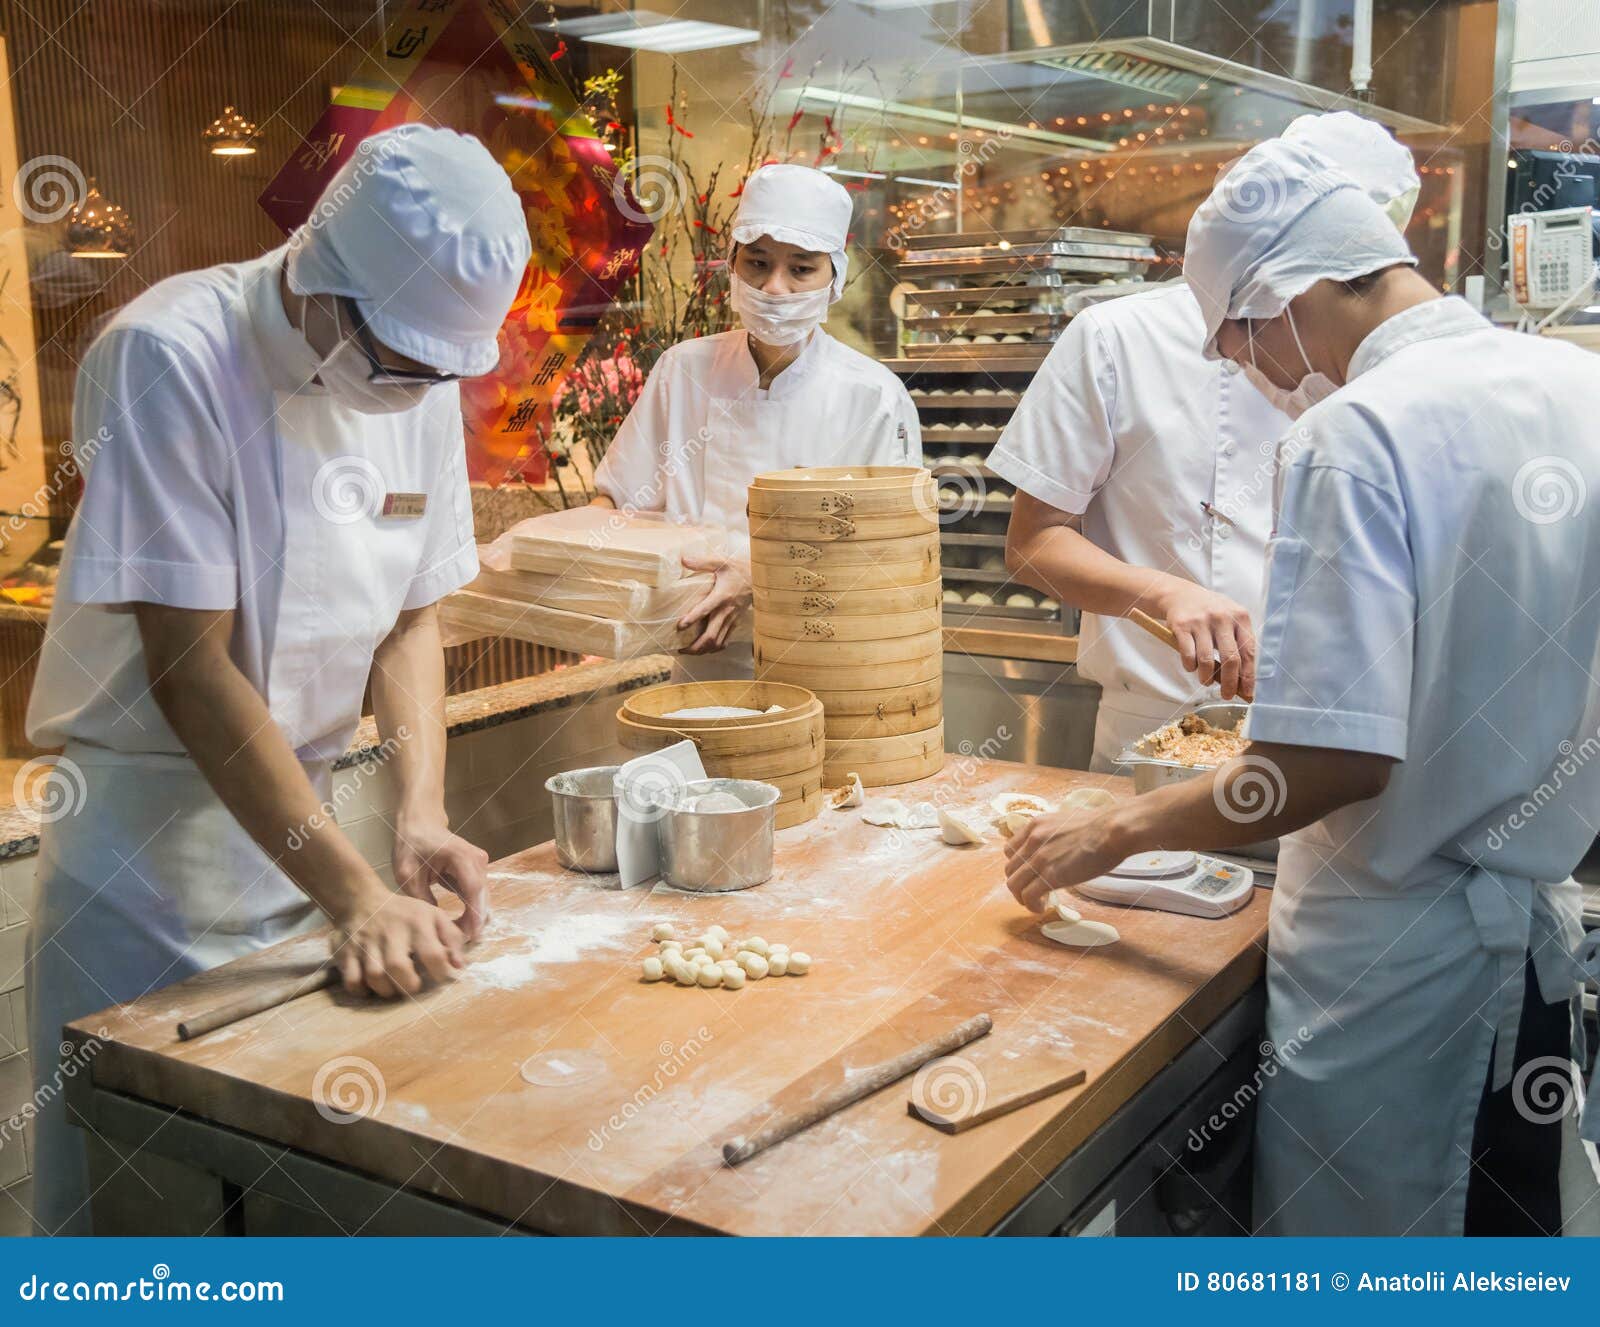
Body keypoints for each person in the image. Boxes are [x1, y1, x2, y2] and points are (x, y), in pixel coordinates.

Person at [1004, 135, 1600, 1235]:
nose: (1242, 364)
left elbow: (1330, 760)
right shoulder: (1579, 384)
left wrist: (1114, 830)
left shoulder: (1356, 432)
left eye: (1236, 335)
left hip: (1399, 976)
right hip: (1528, 957)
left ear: (1288, 294)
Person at [22, 124, 530, 1234]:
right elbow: (191, 669)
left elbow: (411, 614)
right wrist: (353, 893)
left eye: (436, 370)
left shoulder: (420, 376)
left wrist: (417, 819)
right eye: (396, 361)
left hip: (309, 837)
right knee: (149, 1220)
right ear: (318, 267)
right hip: (152, 867)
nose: (412, 391)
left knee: (286, 1206)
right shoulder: (168, 355)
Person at [991, 113, 1417, 771]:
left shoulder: (1392, 372)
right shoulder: (1116, 338)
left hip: (1329, 742)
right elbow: (1032, 542)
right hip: (1151, 731)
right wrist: (1162, 592)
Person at [592, 163, 920, 678]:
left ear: (834, 278)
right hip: (696, 657)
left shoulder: (874, 397)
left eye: (802, 269)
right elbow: (616, 502)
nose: (775, 288)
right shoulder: (684, 370)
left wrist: (760, 576)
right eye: (758, 263)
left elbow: (891, 558)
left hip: (828, 665)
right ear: (732, 264)